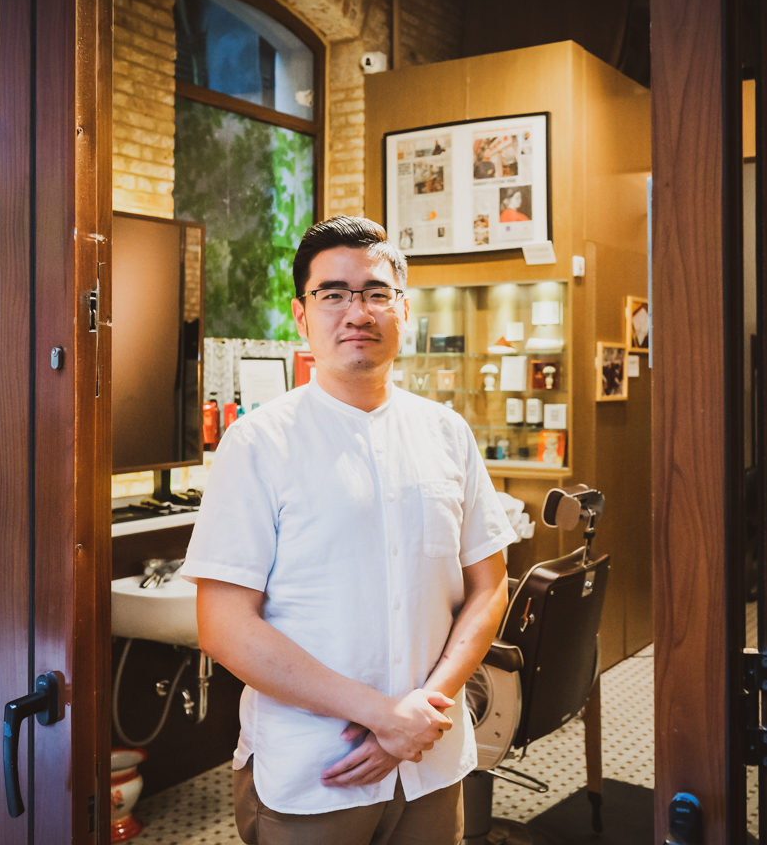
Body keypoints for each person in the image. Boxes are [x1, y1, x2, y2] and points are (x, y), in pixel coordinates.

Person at [182, 216, 517, 845]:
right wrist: (382, 716)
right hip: (314, 773)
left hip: (431, 762)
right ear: (301, 316)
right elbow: (223, 626)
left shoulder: (447, 434)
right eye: (332, 293)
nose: (355, 310)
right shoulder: (257, 443)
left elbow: (488, 587)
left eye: (375, 292)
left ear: (404, 311)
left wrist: (422, 713)